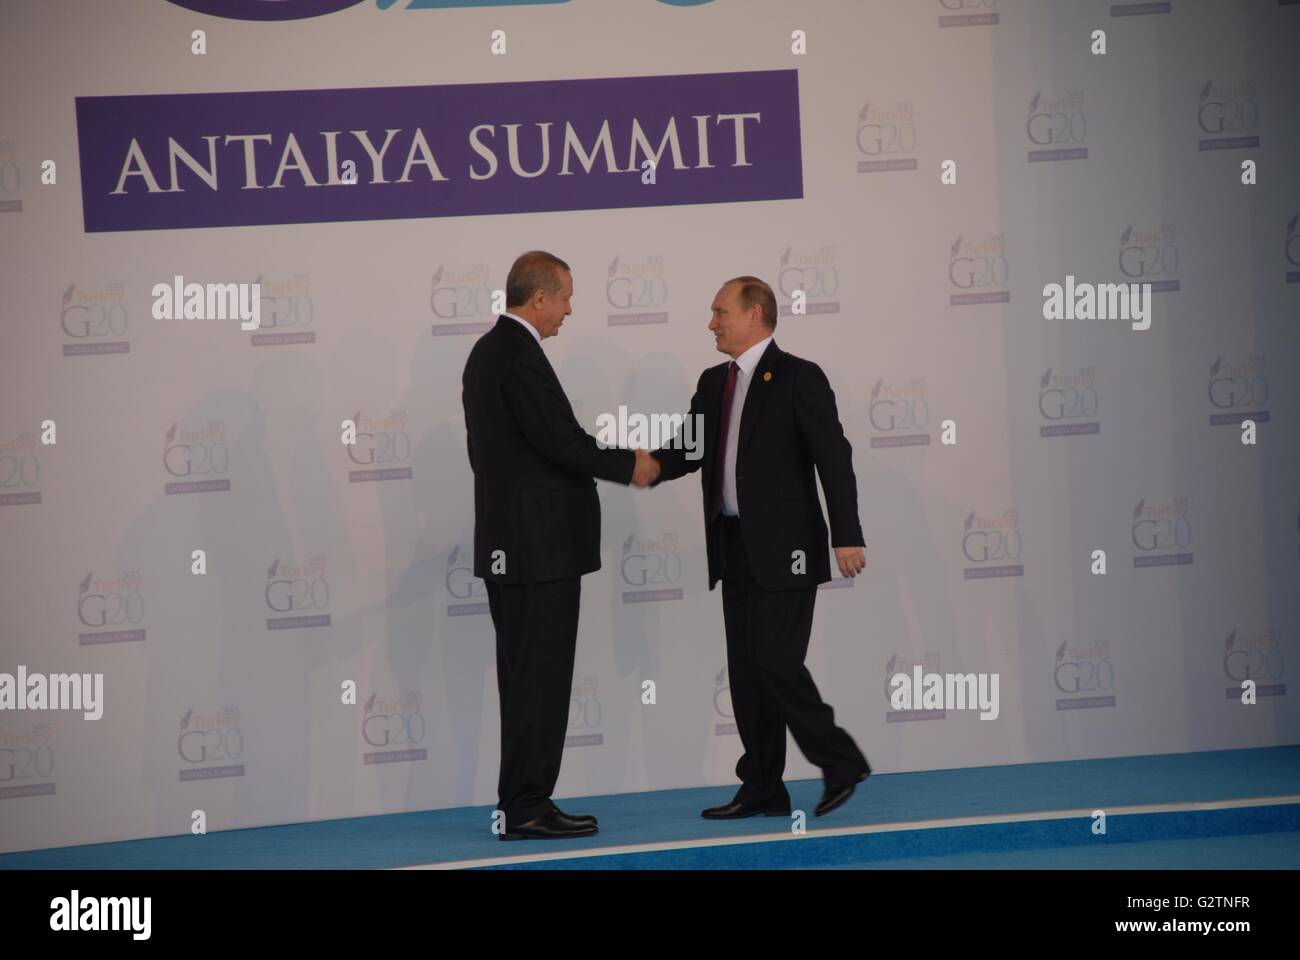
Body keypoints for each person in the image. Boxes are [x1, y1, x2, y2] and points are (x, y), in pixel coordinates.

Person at [650, 276, 870, 818]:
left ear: (755, 314)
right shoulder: (713, 382)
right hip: (732, 546)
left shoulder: (799, 377)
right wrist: (637, 466)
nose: (712, 323)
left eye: (720, 312)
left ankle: (841, 760)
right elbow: (687, 451)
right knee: (748, 673)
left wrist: (846, 534)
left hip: (789, 550)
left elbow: (834, 459)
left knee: (775, 660)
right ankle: (764, 788)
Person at [461, 250, 659, 840]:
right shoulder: (517, 354)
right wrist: (629, 465)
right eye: (566, 297)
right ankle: (526, 807)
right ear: (540, 297)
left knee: (525, 679)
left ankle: (521, 802)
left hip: (514, 546)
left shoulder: (489, 352)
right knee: (539, 681)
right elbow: (560, 442)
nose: (569, 310)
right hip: (538, 549)